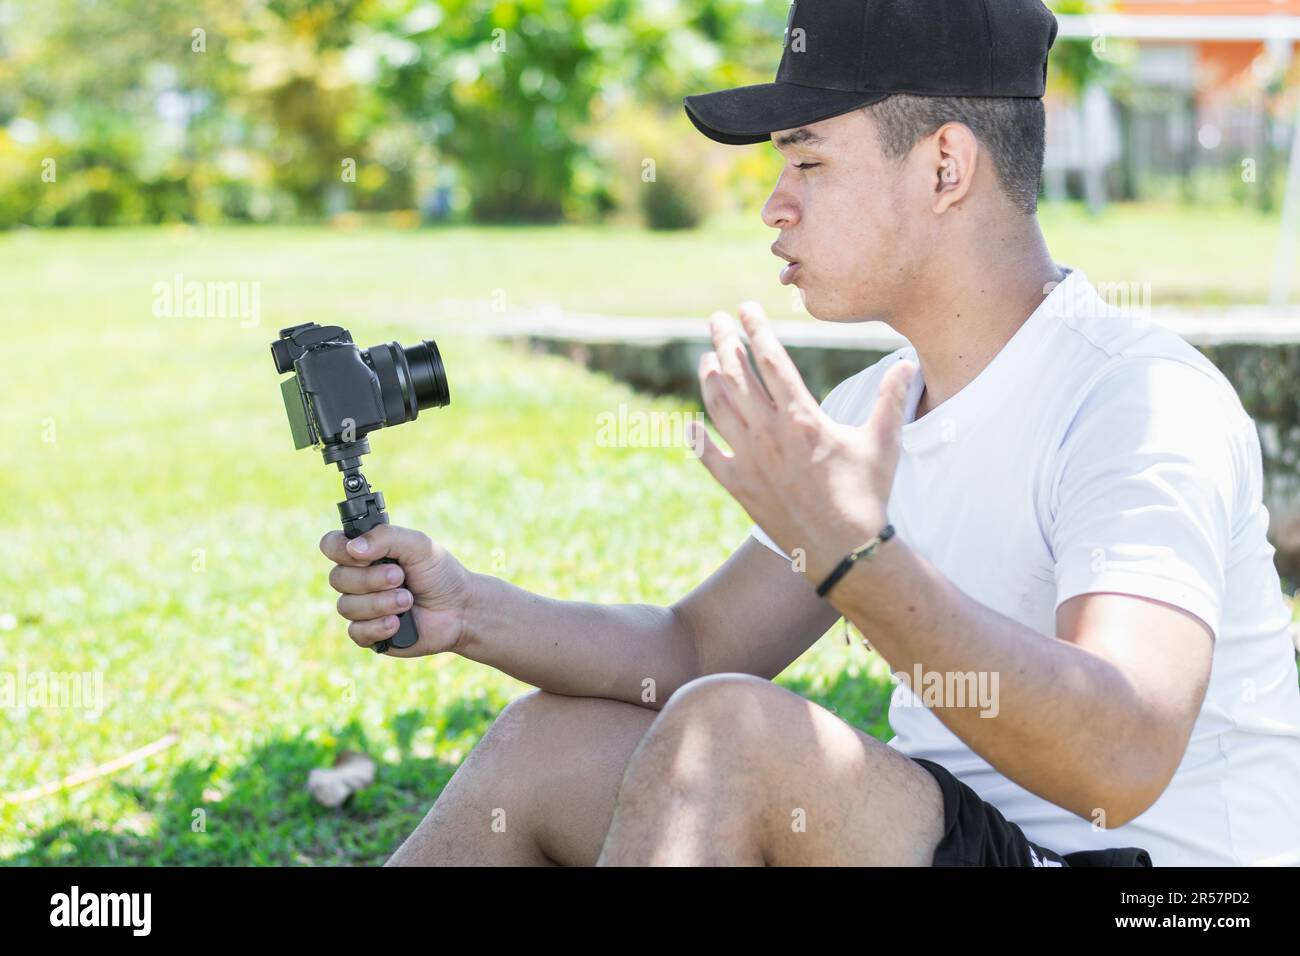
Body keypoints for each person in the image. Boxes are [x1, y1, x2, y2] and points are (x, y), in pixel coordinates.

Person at [319, 0, 1300, 866]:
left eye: (808, 158)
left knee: (731, 735)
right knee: (548, 743)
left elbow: (1121, 756)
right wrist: (466, 610)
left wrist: (853, 555)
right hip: (947, 836)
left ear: (946, 166)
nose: (771, 203)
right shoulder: (878, 403)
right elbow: (695, 643)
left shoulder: (1138, 398)